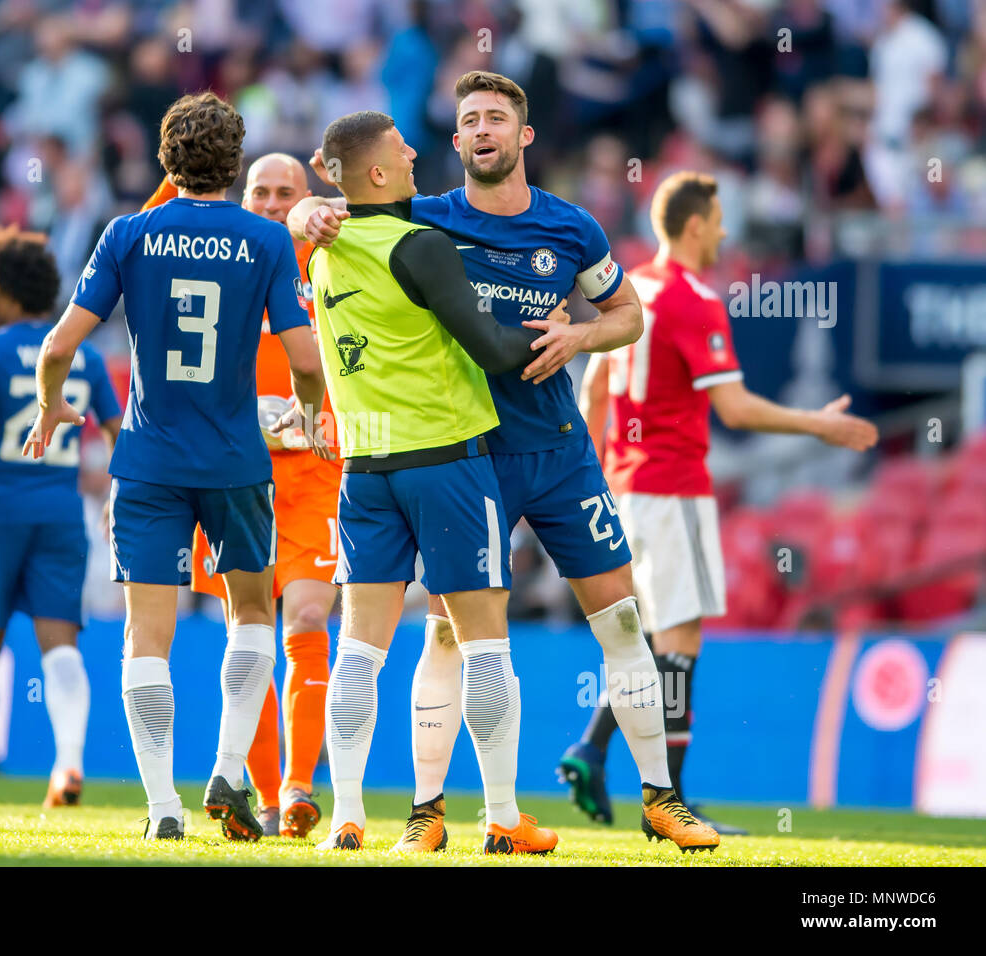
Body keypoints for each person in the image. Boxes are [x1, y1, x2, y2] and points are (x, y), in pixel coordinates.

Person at [291, 71, 719, 853]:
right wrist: (304, 206)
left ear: (522, 137)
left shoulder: (571, 227)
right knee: (447, 638)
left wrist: (581, 336)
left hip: (557, 452)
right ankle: (429, 813)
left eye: (497, 117)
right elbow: (333, 203)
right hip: (468, 456)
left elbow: (628, 314)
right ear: (456, 145)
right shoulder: (418, 220)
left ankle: (663, 798)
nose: (482, 129)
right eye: (469, 121)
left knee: (622, 619)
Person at [24, 92, 330, 842]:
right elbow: (304, 356)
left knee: (144, 636)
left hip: (149, 463)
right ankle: (230, 768)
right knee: (255, 613)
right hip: (236, 463)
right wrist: (307, 406)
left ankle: (164, 806)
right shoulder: (263, 244)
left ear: (166, 161)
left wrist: (50, 406)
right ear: (235, 164)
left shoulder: (128, 234)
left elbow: (60, 345)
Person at [565, 171, 878, 830]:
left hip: (623, 489)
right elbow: (733, 407)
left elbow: (593, 389)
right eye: (718, 218)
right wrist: (819, 425)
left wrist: (587, 473)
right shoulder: (692, 299)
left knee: (644, 643)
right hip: (673, 488)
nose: (726, 231)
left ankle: (591, 750)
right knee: (678, 646)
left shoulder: (628, 290)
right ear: (697, 224)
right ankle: (667, 804)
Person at [302, 108, 569, 854]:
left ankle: (347, 818)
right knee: (486, 646)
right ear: (380, 173)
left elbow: (319, 207)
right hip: (447, 462)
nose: (415, 151)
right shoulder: (420, 247)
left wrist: (306, 206)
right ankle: (505, 817)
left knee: (358, 648)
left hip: (364, 471)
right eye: (400, 148)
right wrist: (560, 331)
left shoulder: (323, 251)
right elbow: (489, 348)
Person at [140, 154, 338, 839]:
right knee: (247, 629)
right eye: (261, 191)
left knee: (308, 618)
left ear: (309, 201)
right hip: (229, 472)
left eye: (288, 194)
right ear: (238, 194)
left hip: (314, 474)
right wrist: (184, 160)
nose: (274, 203)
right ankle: (260, 790)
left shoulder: (326, 261)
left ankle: (300, 784)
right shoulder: (216, 257)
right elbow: (148, 226)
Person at [0, 226, 123, 811]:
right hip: (62, 511)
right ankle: (67, 767)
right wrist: (118, 495)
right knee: (60, 646)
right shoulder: (85, 355)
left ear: (12, 292)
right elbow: (121, 436)